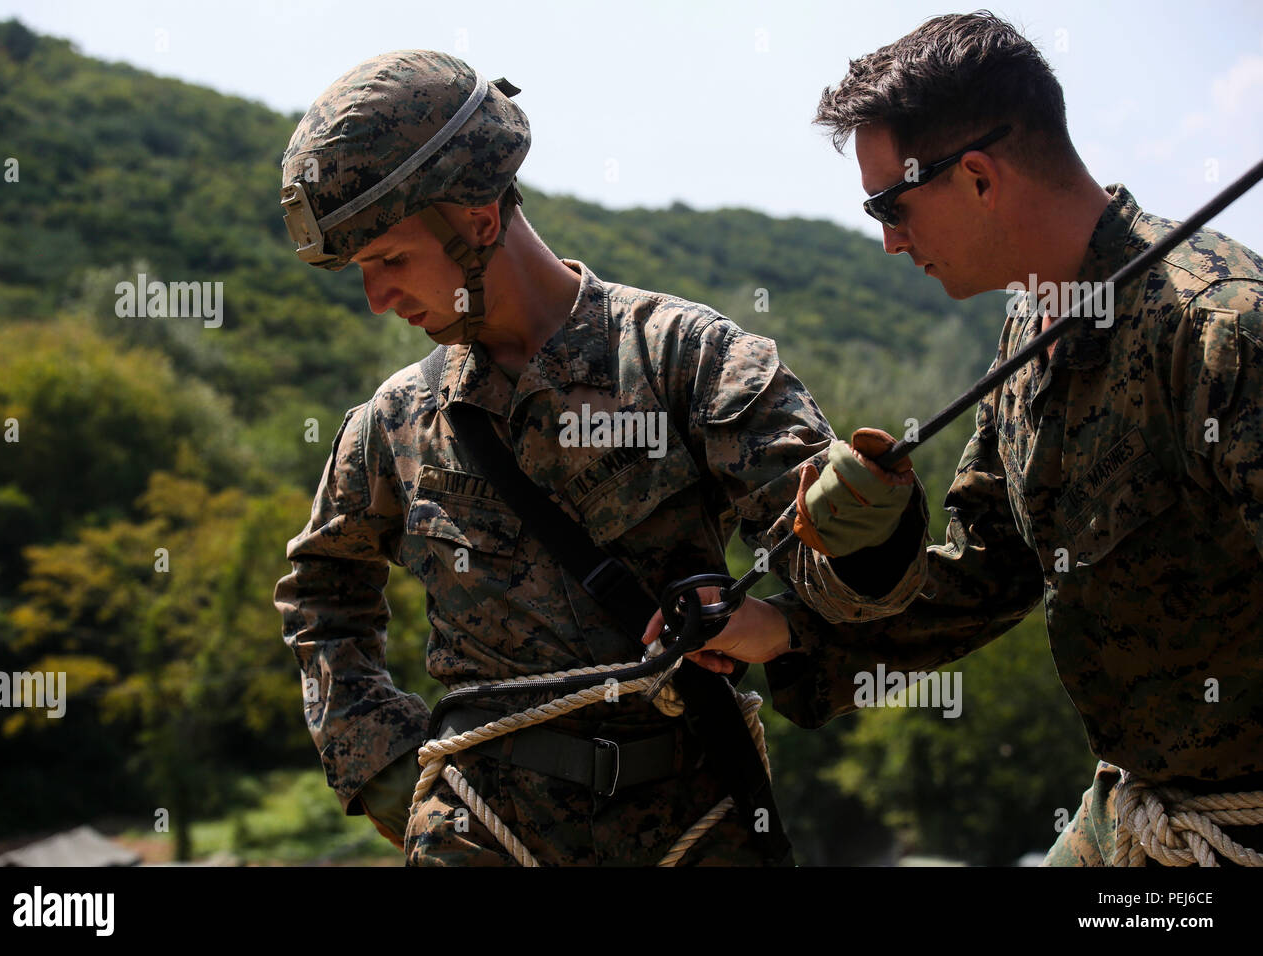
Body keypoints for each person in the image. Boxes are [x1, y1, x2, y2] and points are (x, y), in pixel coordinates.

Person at [272, 49, 929, 866]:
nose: (375, 298)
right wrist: (378, 761)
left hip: (690, 829)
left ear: (478, 219)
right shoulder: (397, 420)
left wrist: (869, 530)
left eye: (390, 261)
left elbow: (844, 594)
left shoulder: (688, 361)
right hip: (478, 835)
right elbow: (320, 596)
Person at [692, 11, 1263, 866]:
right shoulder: (1032, 326)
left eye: (891, 205)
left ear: (978, 179)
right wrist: (782, 627)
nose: (886, 242)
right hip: (1144, 811)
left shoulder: (1220, 331)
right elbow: (989, 567)